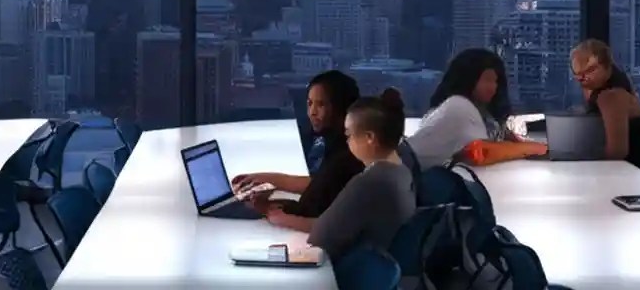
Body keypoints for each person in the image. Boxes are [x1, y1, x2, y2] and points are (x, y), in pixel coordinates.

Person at [233, 70, 365, 228]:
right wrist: (269, 180)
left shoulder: (346, 156)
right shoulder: (339, 145)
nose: (312, 112)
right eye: (310, 103)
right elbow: (321, 186)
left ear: (341, 108)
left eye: (321, 104)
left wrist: (266, 210)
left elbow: (317, 213)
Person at [302, 88, 417, 258]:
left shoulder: (370, 182)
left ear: (369, 137)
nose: (348, 142)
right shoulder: (403, 169)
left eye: (349, 135)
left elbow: (320, 237)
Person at [407, 48, 546, 168]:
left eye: (496, 81)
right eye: (487, 80)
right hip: (410, 178)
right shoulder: (459, 106)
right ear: (467, 79)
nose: (493, 87)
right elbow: (481, 152)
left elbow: (500, 138)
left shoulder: (480, 112)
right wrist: (533, 148)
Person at [570, 39, 640, 178]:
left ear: (606, 66)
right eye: (577, 73)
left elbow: (617, 152)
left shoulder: (611, 96)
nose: (582, 78)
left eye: (589, 70)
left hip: (633, 178)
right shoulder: (614, 83)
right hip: (634, 174)